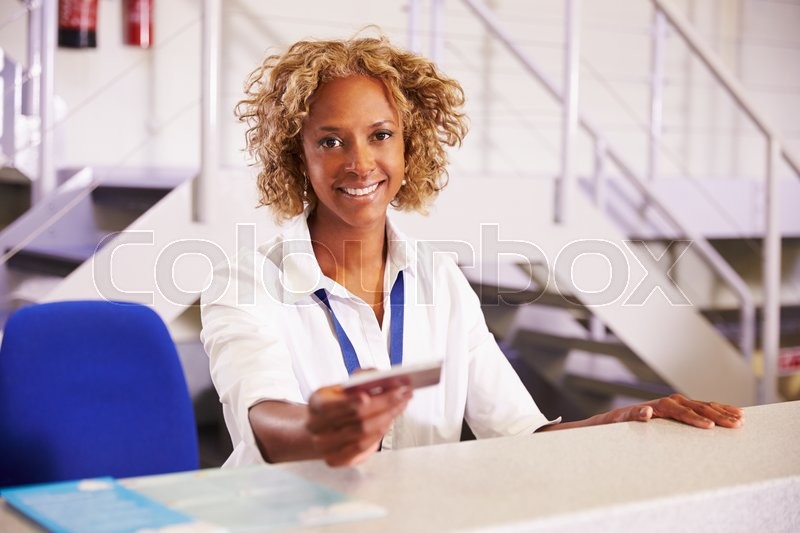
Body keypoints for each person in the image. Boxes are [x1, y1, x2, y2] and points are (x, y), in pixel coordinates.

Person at [200, 34, 744, 469]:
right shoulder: (244, 282)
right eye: (330, 140)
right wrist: (317, 427)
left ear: (410, 146)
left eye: (381, 135)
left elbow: (520, 435)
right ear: (299, 158)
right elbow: (264, 420)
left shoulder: (443, 282)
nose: (360, 163)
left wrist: (618, 422)